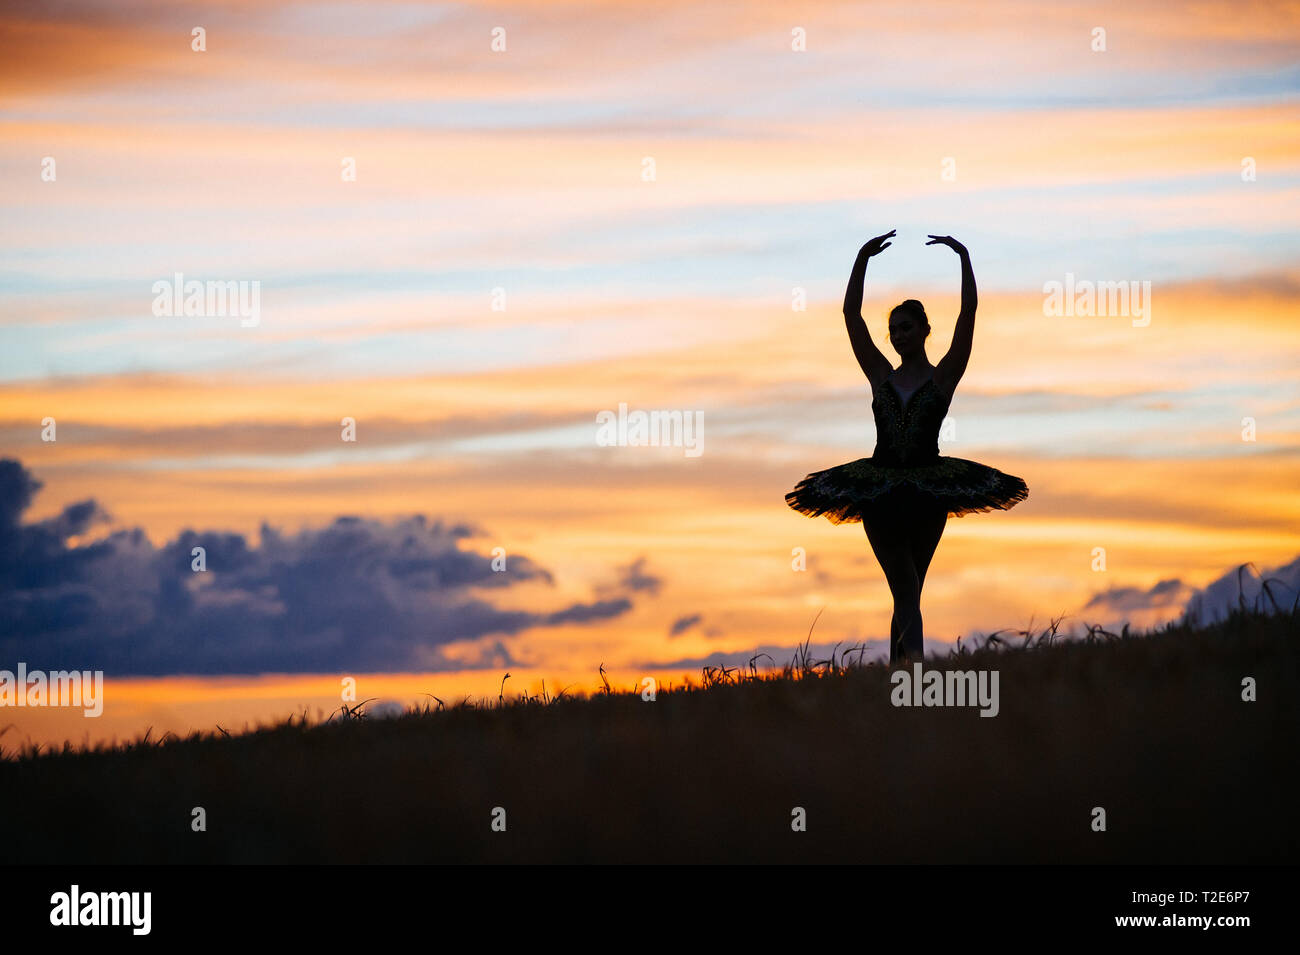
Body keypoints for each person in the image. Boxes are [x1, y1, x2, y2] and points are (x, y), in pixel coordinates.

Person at [785, 230, 1028, 664]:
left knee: (909, 590)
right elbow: (851, 316)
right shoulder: (880, 374)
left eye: (905, 328)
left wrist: (964, 257)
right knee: (903, 584)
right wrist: (862, 258)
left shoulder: (943, 378)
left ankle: (898, 680)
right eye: (893, 330)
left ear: (923, 330)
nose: (897, 336)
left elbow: (969, 314)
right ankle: (911, 676)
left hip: (929, 493)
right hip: (877, 492)